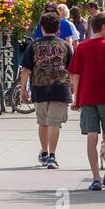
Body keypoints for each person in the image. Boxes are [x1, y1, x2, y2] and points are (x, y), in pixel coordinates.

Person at [69, 12, 105, 191]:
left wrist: (76, 98)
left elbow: (75, 75)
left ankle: (96, 178)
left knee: (92, 135)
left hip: (86, 96)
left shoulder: (82, 47)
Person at [19, 10, 72, 169]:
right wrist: (73, 85)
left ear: (42, 27)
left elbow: (26, 70)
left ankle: (44, 151)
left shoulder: (33, 46)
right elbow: (72, 69)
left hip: (39, 87)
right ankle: (52, 156)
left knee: (42, 122)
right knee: (54, 122)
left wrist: (23, 89)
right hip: (60, 87)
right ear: (58, 29)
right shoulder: (64, 45)